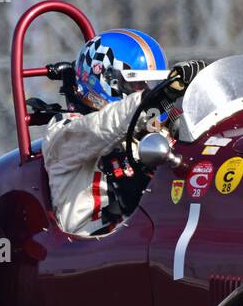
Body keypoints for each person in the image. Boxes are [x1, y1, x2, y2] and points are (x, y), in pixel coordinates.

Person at [42, 29, 202, 236]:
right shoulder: (63, 132)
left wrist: (188, 94)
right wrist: (152, 98)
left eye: (151, 84)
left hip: (147, 240)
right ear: (107, 81)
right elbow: (101, 128)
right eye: (138, 85)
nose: (145, 89)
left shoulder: (147, 127)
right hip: (93, 254)